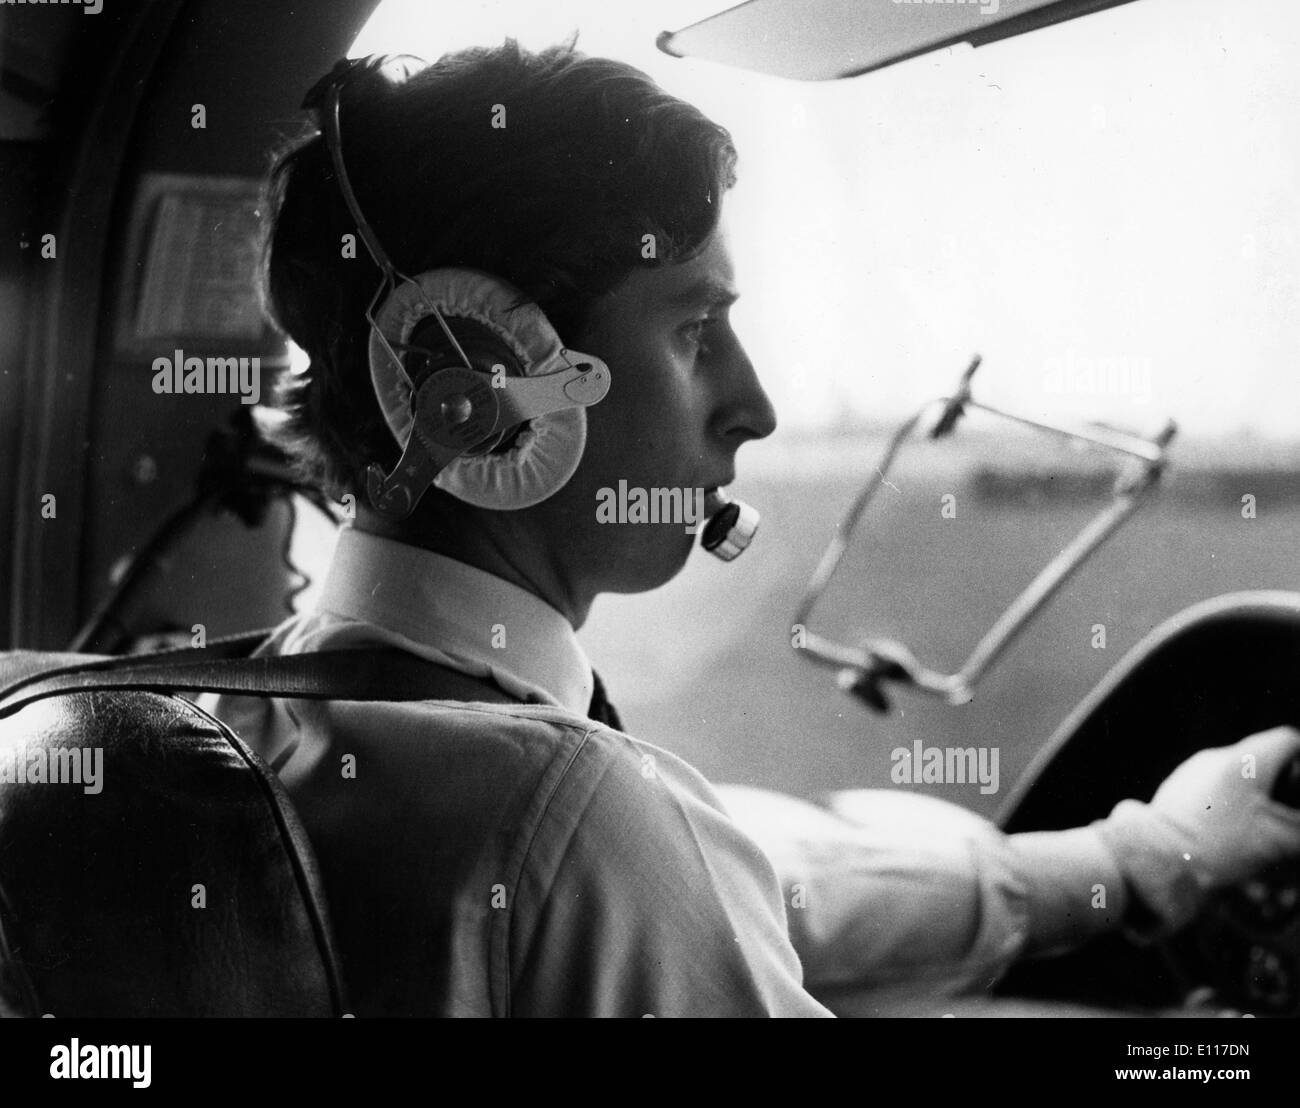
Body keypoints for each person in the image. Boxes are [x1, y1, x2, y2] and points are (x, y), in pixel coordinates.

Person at [210, 40, 1300, 1017]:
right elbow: (655, 864)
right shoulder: (583, 824)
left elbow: (767, 883)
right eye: (694, 330)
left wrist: (1143, 854)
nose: (756, 407)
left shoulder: (255, 728)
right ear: (477, 385)